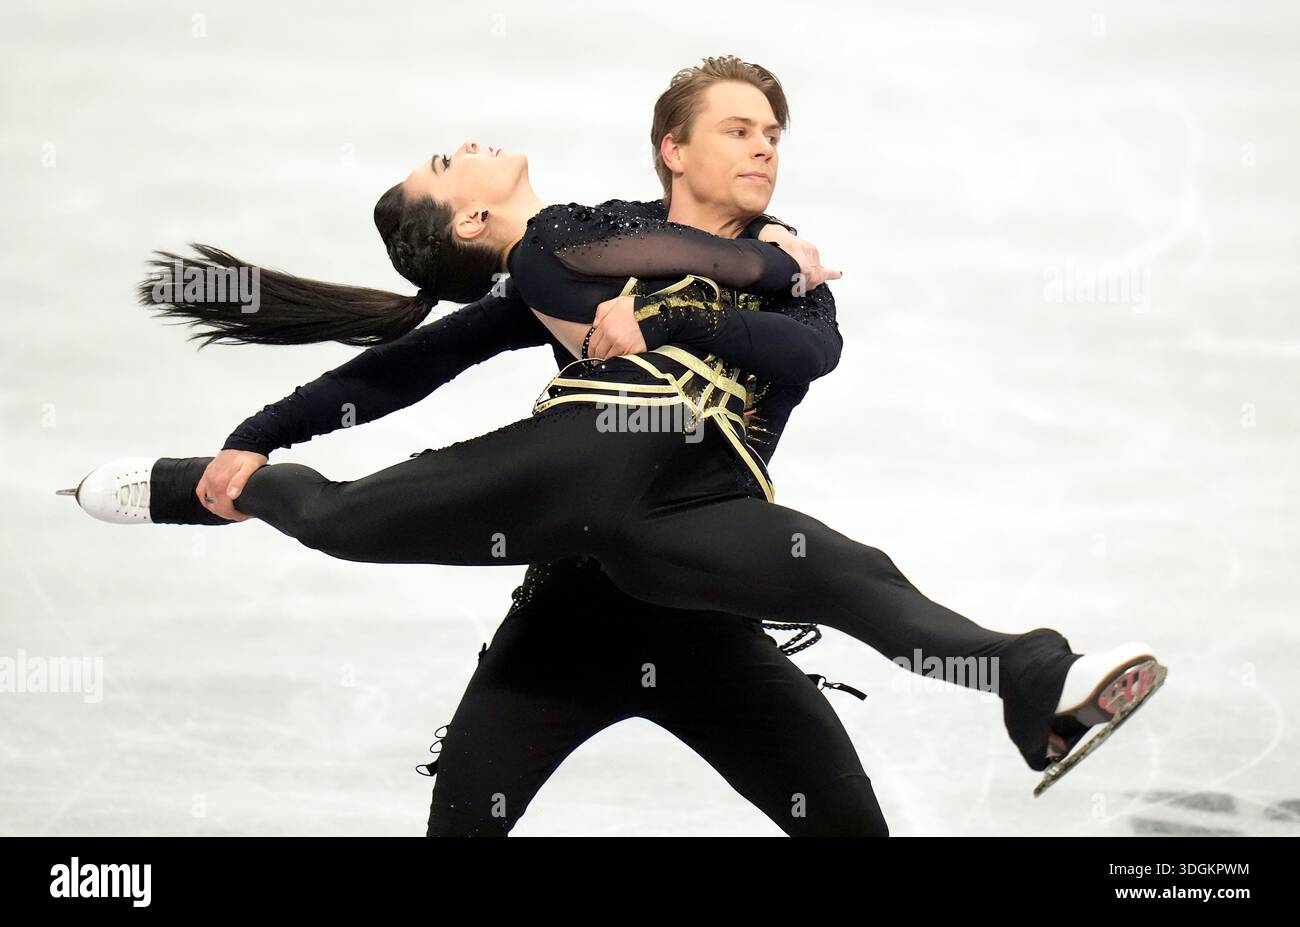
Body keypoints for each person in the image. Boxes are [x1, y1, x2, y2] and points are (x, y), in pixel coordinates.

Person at [66, 58, 1164, 810]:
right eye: (739, 129)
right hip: (592, 464)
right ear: (672, 151)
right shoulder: (577, 241)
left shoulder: (782, 274)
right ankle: (184, 485)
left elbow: (808, 356)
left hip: (693, 520)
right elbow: (406, 364)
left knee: (852, 576)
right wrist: (248, 440)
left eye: (772, 133)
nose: (765, 148)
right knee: (344, 519)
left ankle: (1036, 685)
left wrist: (720, 296)